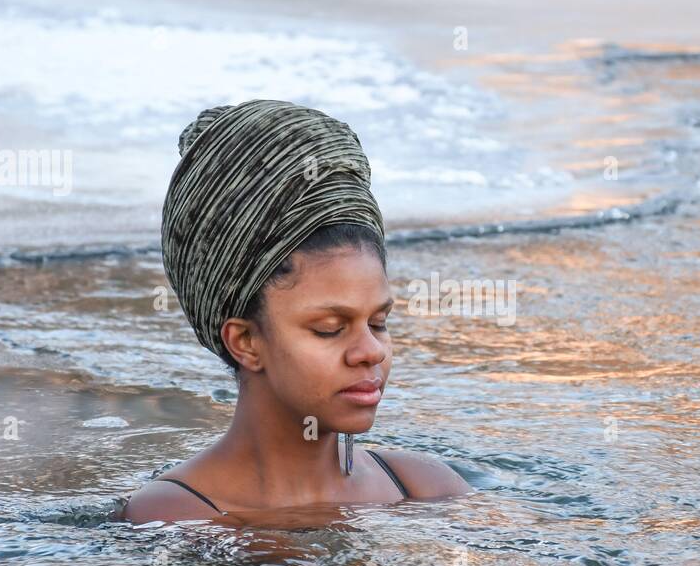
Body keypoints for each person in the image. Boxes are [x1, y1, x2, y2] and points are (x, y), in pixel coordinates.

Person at [122, 99, 471, 525]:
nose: (370, 352)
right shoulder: (176, 515)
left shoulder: (426, 488)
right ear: (246, 342)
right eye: (329, 329)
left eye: (378, 323)